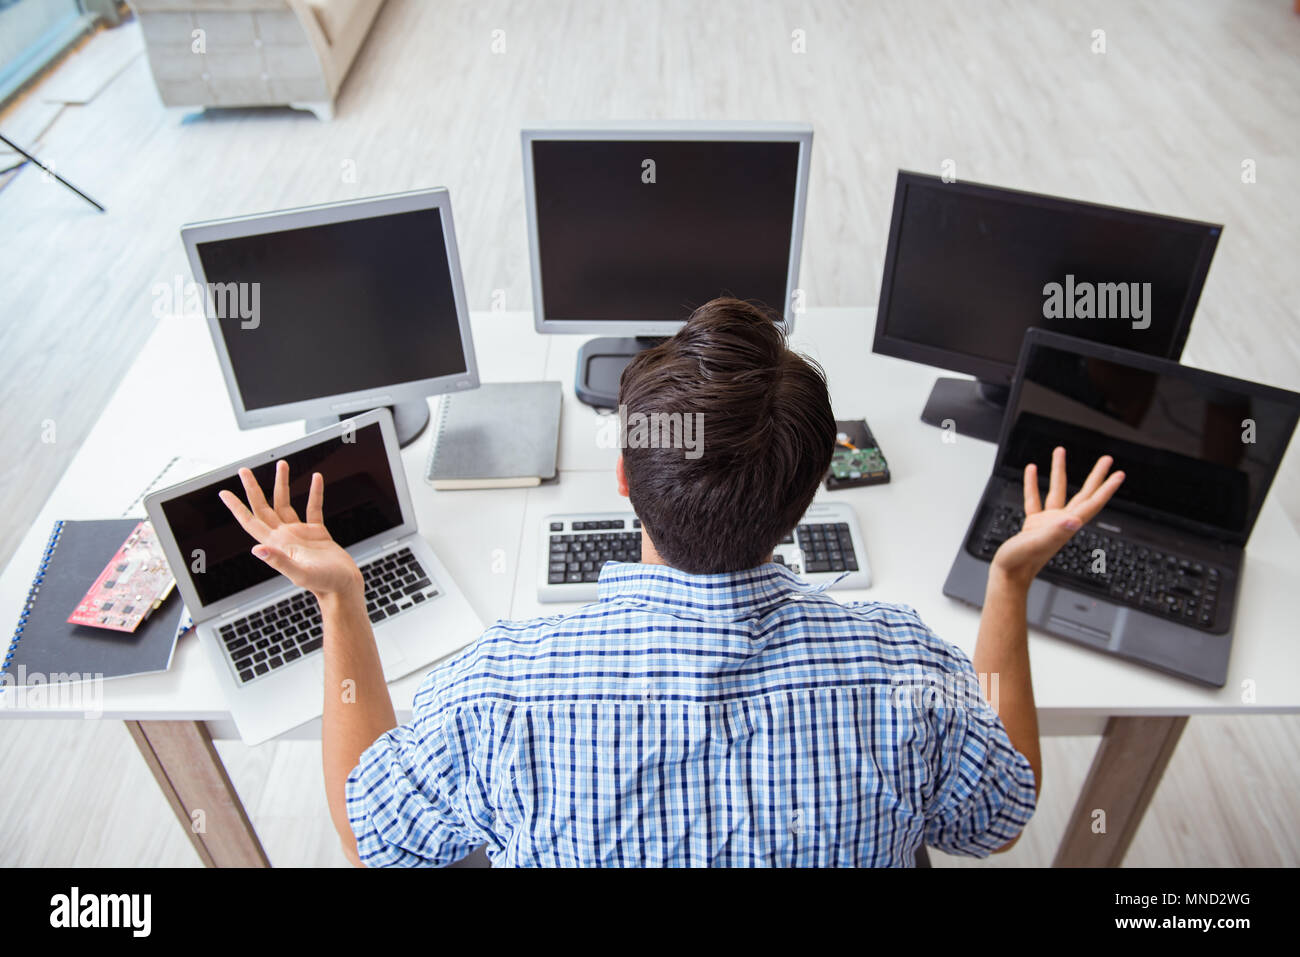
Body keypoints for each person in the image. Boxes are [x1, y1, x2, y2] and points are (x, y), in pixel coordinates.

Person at [219, 297, 1124, 867]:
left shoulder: (499, 691)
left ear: (621, 479)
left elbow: (368, 836)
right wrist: (1009, 584)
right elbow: (1001, 819)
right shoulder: (905, 670)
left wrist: (342, 600)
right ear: (809, 496)